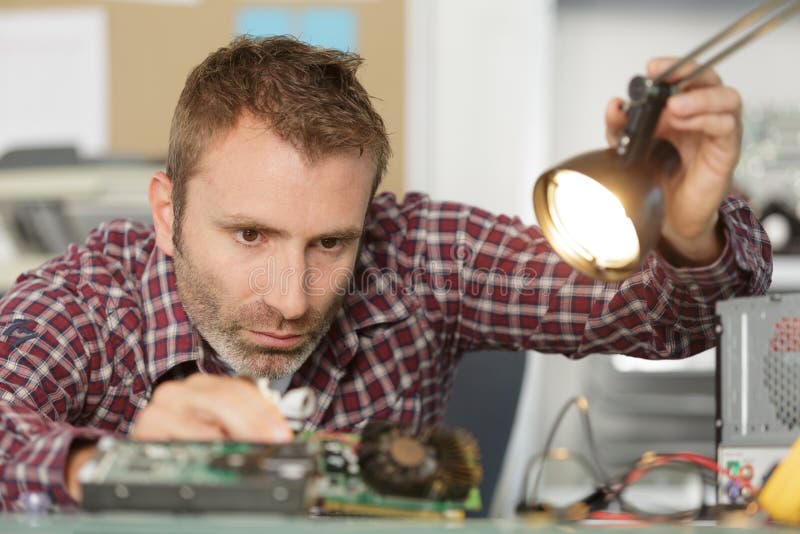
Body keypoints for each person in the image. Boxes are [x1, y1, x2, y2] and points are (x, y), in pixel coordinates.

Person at [0, 35, 771, 511]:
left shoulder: (417, 255)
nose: (290, 299)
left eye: (330, 243)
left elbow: (673, 323)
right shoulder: (91, 297)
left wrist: (690, 231)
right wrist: (108, 465)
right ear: (167, 214)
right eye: (250, 235)